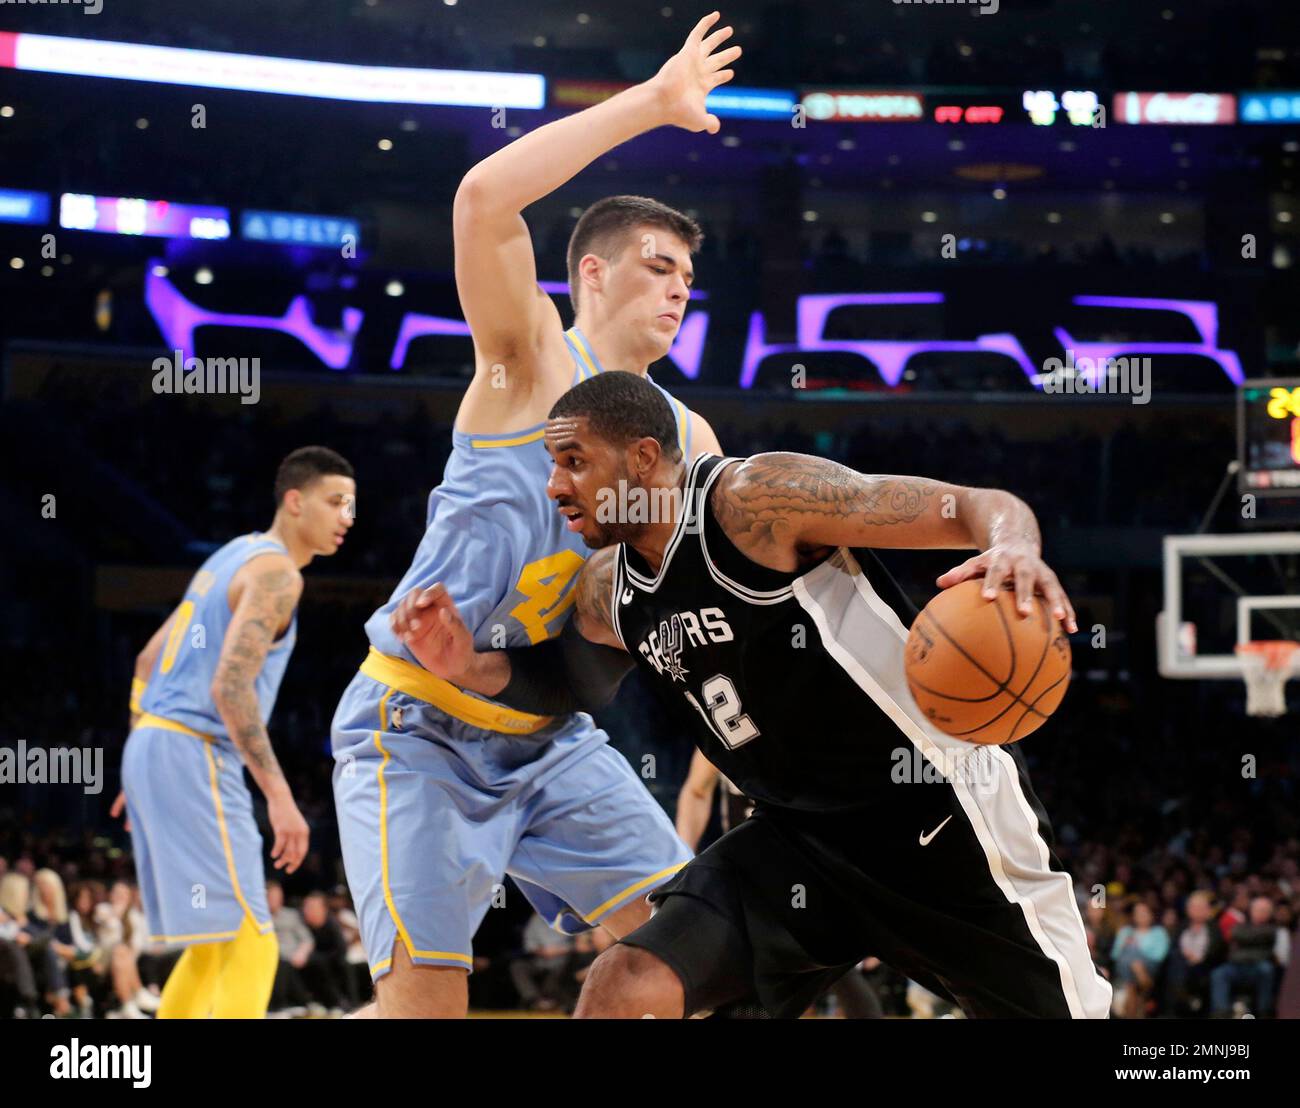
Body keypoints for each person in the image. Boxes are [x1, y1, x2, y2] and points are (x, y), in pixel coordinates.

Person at [393, 371, 1112, 1019]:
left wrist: (1013, 544)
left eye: (573, 461)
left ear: (642, 457)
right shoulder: (608, 589)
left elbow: (972, 507)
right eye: (553, 465)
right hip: (796, 842)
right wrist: (466, 663)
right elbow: (565, 682)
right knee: (626, 982)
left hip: (936, 816)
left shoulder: (755, 501)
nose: (555, 487)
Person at [330, 12, 737, 1018]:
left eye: (688, 275)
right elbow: (481, 197)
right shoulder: (532, 359)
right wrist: (652, 103)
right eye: (656, 264)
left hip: (553, 734)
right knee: (424, 1009)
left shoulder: (692, 443)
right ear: (588, 272)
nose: (680, 285)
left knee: (697, 953)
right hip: (418, 728)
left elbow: (670, 618)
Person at [112, 446, 356, 1018]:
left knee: (214, 939)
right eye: (335, 501)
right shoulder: (277, 574)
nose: (348, 516)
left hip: (155, 740)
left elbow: (147, 662)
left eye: (353, 505)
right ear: (294, 502)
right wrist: (279, 795)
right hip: (193, 748)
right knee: (253, 937)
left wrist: (145, 755)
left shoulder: (230, 555)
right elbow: (230, 689)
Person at [1210, 895, 1288, 1017]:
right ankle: (1221, 1011)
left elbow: (1255, 936)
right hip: (1237, 966)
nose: (1260, 913)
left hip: (1258, 967)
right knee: (1219, 973)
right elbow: (1234, 933)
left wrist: (1244, 942)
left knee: (1266, 970)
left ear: (1269, 913)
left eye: (1264, 911)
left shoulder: (1272, 928)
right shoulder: (1242, 925)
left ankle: (1264, 1011)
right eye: (1257, 910)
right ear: (1251, 910)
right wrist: (1251, 941)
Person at [1163, 890, 1224, 1016]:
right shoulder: (1182, 926)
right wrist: (1185, 954)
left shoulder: (1214, 928)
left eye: (1200, 907)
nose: (1196, 910)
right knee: (1175, 962)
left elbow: (1218, 950)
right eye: (1192, 907)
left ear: (1208, 910)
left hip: (1204, 966)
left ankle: (1181, 1004)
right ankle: (1179, 1005)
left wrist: (1200, 959)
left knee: (1179, 970)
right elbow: (1173, 947)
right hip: (1182, 965)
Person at [1110, 901, 1169, 1018]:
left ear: (1151, 914)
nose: (1141, 915)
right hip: (1125, 967)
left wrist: (1137, 952)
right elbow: (1115, 955)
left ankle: (1135, 984)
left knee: (1133, 958)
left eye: (1144, 912)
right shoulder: (1125, 931)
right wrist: (1125, 945)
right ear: (1133, 915)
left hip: (1149, 966)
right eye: (1138, 913)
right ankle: (1144, 983)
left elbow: (1159, 956)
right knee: (1130, 954)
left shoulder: (1159, 932)